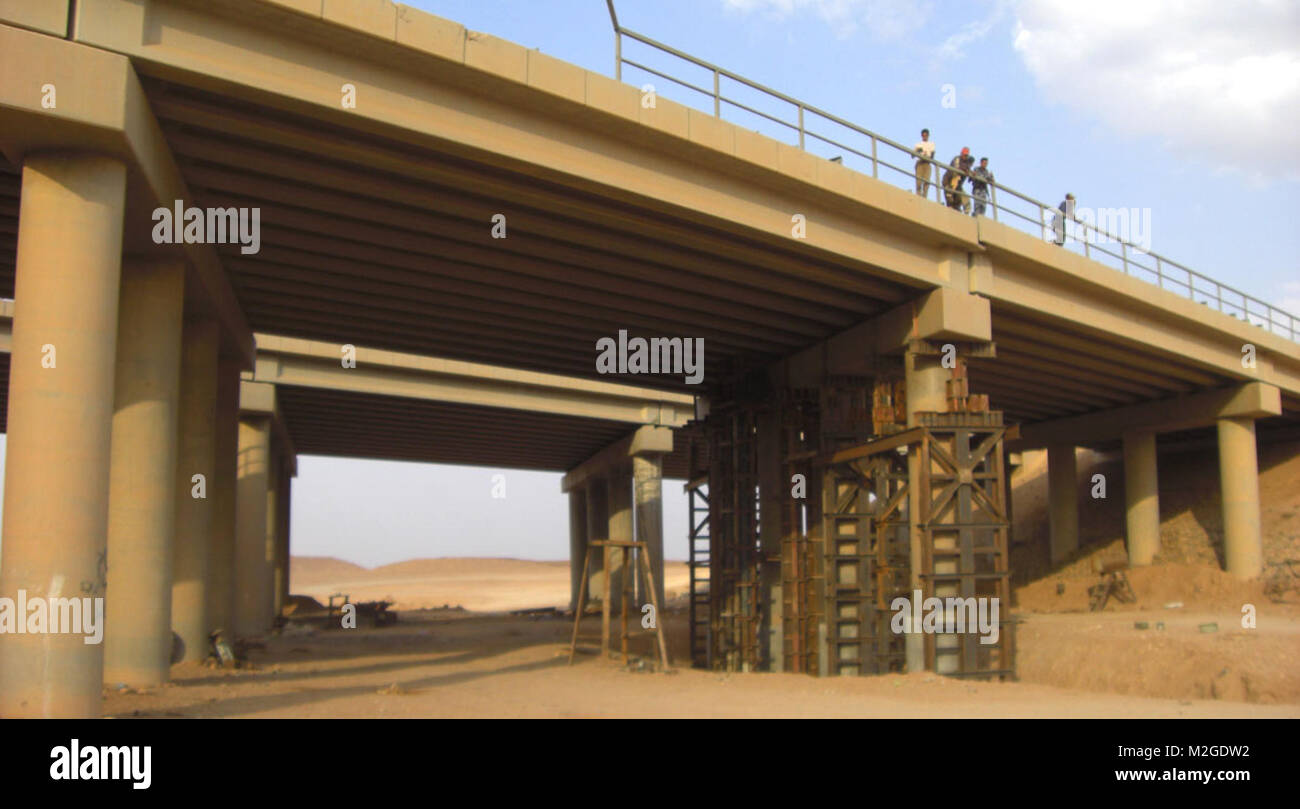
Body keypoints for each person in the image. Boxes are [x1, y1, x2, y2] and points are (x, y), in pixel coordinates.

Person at [913, 129, 936, 196]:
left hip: (927, 163)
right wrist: (918, 151)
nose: (925, 137)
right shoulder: (918, 144)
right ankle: (918, 195)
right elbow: (912, 155)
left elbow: (932, 155)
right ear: (921, 136)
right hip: (920, 162)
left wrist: (928, 156)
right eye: (923, 135)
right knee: (919, 182)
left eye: (926, 135)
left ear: (928, 136)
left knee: (927, 182)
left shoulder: (931, 144)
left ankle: (925, 196)